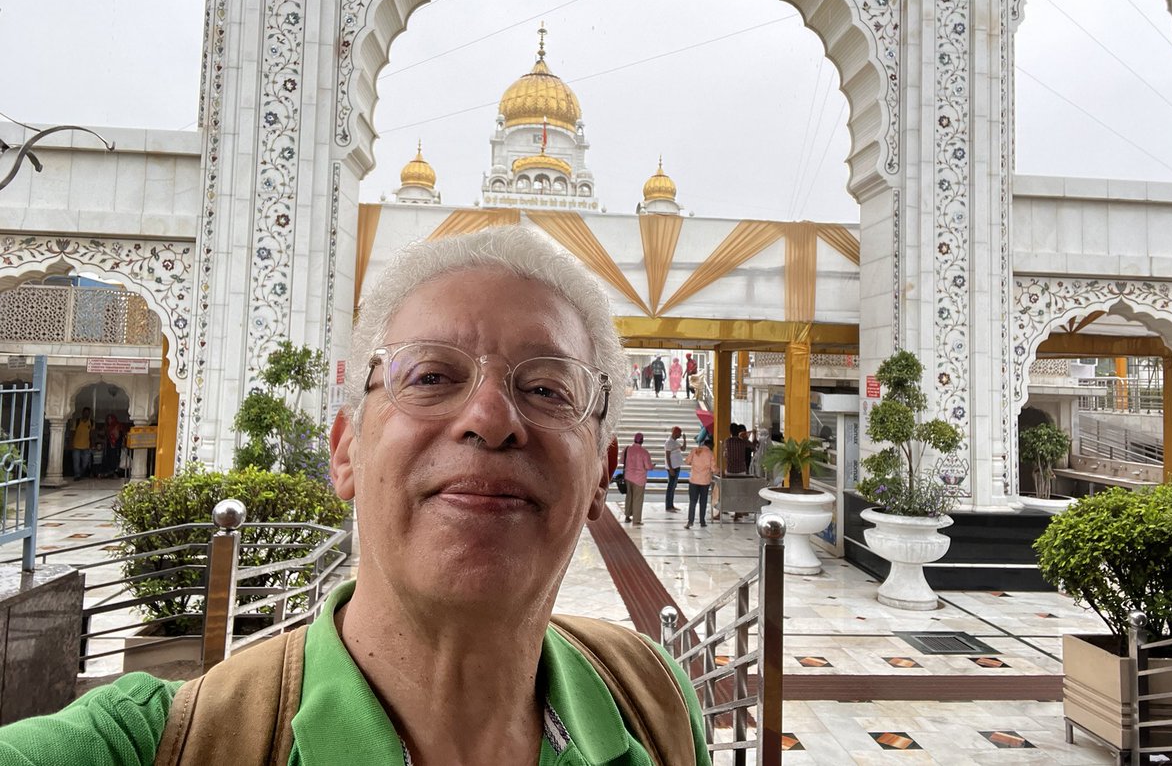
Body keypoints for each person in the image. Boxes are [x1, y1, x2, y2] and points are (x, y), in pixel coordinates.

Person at [0, 226, 710, 766]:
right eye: (431, 377)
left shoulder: (654, 704)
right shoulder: (164, 744)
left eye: (548, 389)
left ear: (599, 477)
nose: (490, 419)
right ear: (345, 449)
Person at [621, 431, 652, 525]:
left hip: (628, 477)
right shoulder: (644, 452)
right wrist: (652, 466)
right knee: (638, 498)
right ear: (642, 441)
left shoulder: (627, 449)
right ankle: (636, 520)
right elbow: (648, 467)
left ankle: (627, 516)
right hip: (639, 479)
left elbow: (622, 461)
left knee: (629, 497)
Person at [684, 439, 715, 528]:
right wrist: (718, 471)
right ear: (711, 446)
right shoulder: (710, 454)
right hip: (705, 481)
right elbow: (713, 468)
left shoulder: (695, 450)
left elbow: (687, 461)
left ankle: (690, 521)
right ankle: (702, 521)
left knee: (693, 501)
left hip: (693, 480)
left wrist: (695, 465)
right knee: (703, 501)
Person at [663, 425, 685, 513]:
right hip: (672, 468)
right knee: (670, 487)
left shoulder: (675, 442)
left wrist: (685, 440)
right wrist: (671, 468)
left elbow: (683, 449)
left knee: (673, 487)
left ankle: (671, 505)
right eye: (679, 434)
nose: (680, 435)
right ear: (675, 433)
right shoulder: (669, 442)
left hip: (677, 466)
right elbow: (667, 456)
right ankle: (668, 506)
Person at [70, 406, 93, 481]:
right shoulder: (77, 422)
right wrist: (71, 443)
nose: (86, 414)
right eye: (85, 413)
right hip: (76, 445)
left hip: (86, 446)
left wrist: (92, 444)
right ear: (82, 413)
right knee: (76, 462)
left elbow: (92, 434)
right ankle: (77, 475)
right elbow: (72, 433)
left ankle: (81, 473)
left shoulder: (91, 422)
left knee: (85, 463)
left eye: (88, 413)